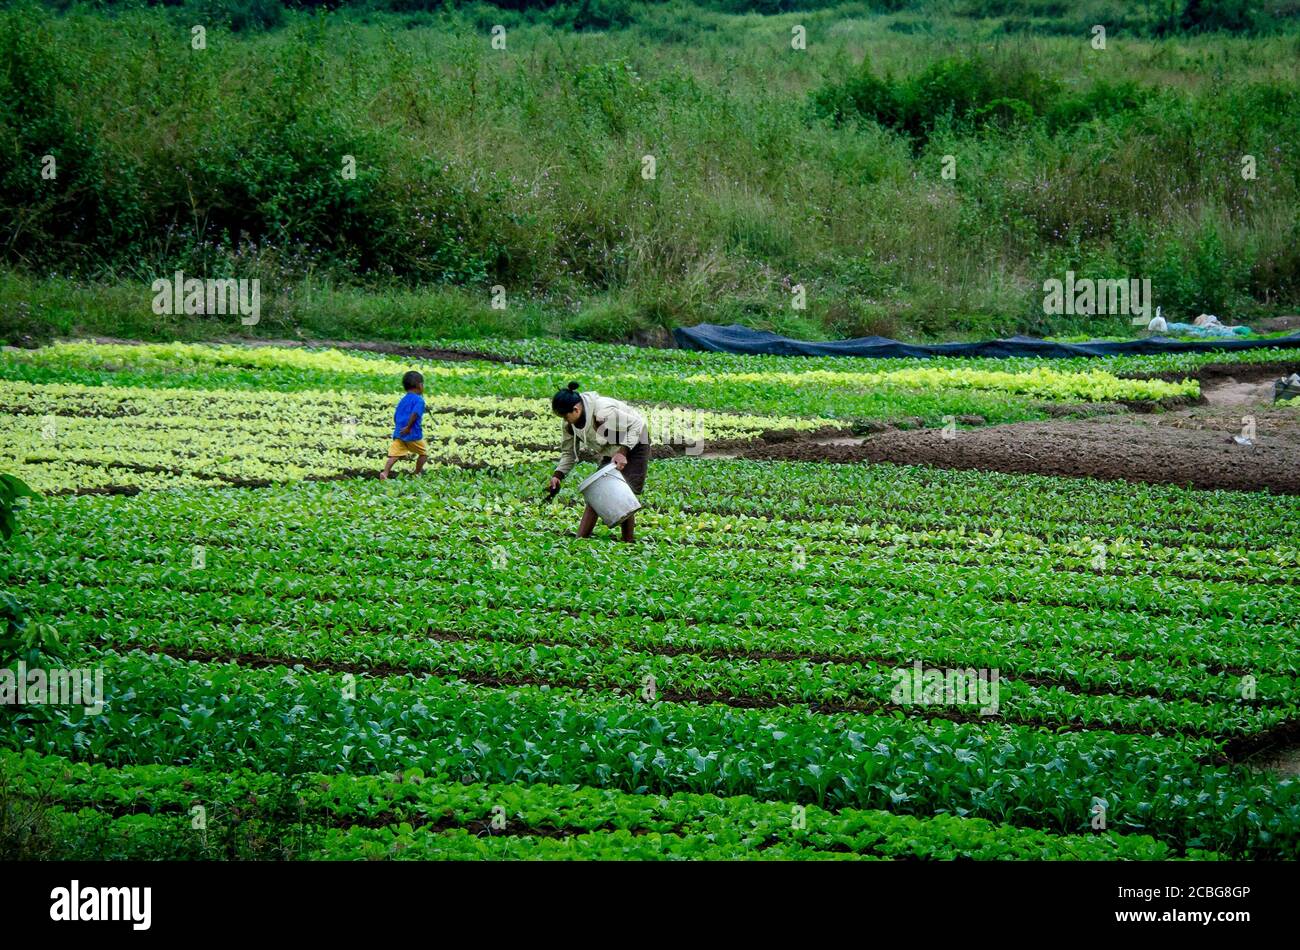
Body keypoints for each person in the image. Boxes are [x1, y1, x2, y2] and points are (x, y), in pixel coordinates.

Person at [549, 382, 648, 543]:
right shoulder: (570, 424)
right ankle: (579, 541)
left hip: (635, 442)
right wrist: (558, 475)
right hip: (610, 450)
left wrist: (623, 452)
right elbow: (568, 452)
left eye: (565, 416)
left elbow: (638, 424)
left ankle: (628, 543)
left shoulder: (602, 411)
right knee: (597, 491)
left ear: (576, 409)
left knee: (623, 491)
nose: (565, 420)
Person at [380, 371, 427, 479]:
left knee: (394, 456)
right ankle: (417, 473)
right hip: (412, 433)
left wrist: (399, 427)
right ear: (420, 385)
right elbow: (415, 414)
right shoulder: (419, 400)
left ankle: (385, 473)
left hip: (399, 433)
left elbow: (396, 415)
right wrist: (408, 427)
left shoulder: (403, 400)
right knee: (423, 454)